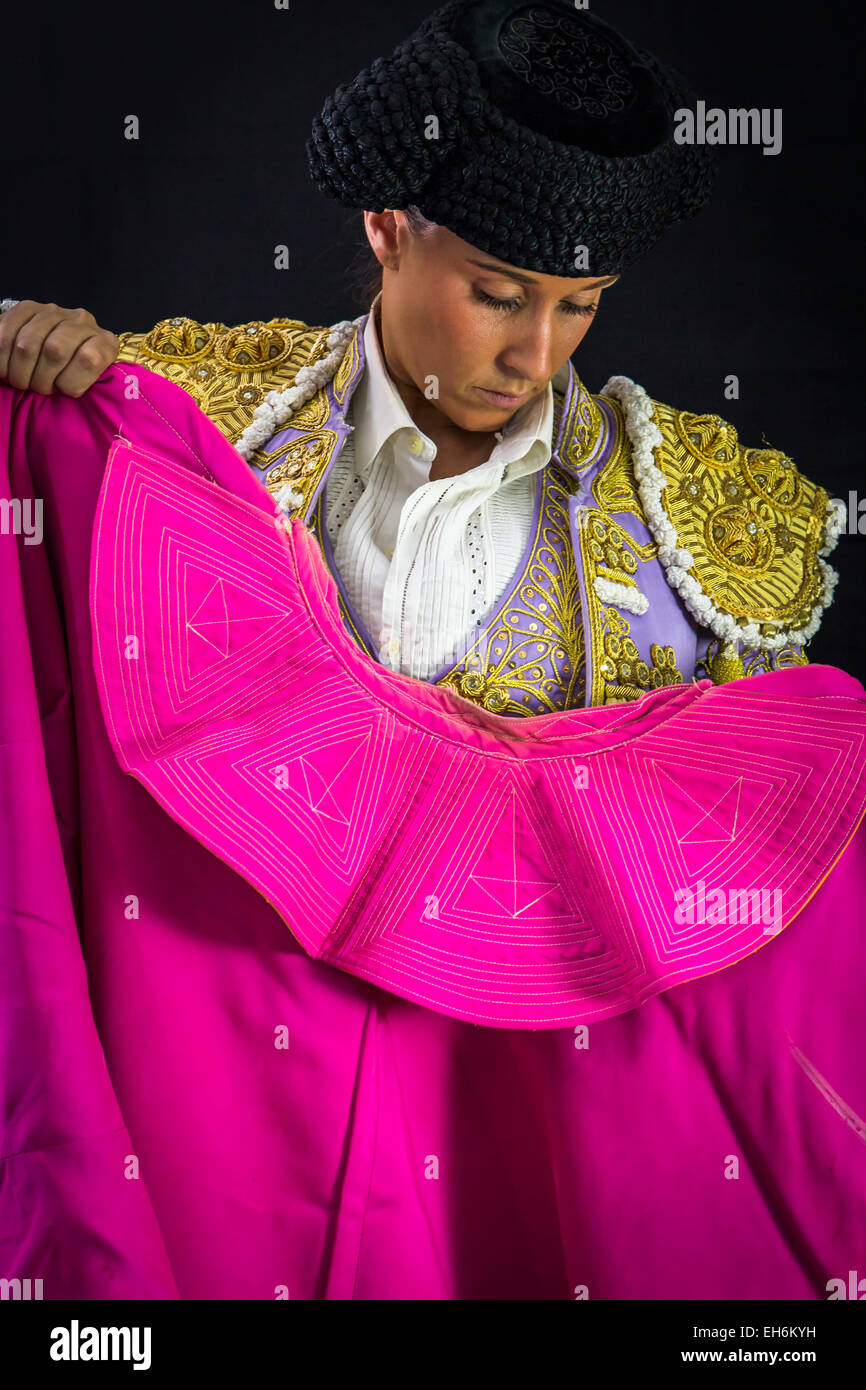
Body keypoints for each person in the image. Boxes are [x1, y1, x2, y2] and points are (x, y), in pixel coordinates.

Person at [1, 0, 864, 1302]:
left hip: (551, 1157)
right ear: (385, 227)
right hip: (238, 1108)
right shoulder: (178, 423)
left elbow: (752, 960)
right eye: (497, 294)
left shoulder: (702, 516)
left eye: (580, 305)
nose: (535, 352)